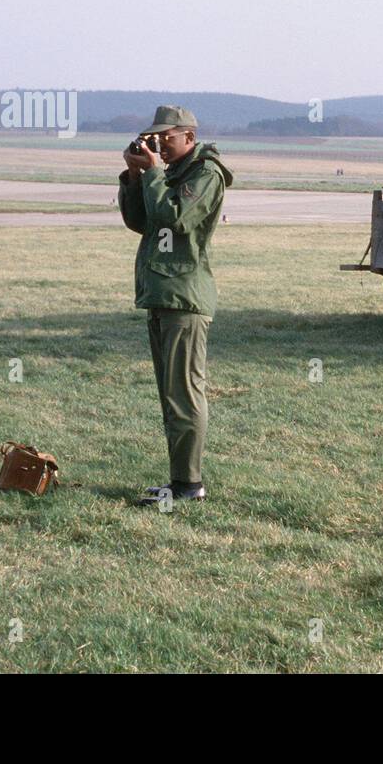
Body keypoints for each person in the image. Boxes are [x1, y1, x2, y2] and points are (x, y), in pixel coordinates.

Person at [118, 105, 234, 506]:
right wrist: (136, 175)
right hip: (164, 295)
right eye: (154, 138)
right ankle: (180, 480)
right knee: (172, 395)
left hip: (185, 297)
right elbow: (141, 220)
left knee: (184, 394)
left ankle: (189, 486)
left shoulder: (206, 174)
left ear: (188, 135)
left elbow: (175, 218)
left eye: (165, 137)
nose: (158, 144)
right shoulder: (171, 175)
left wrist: (151, 173)